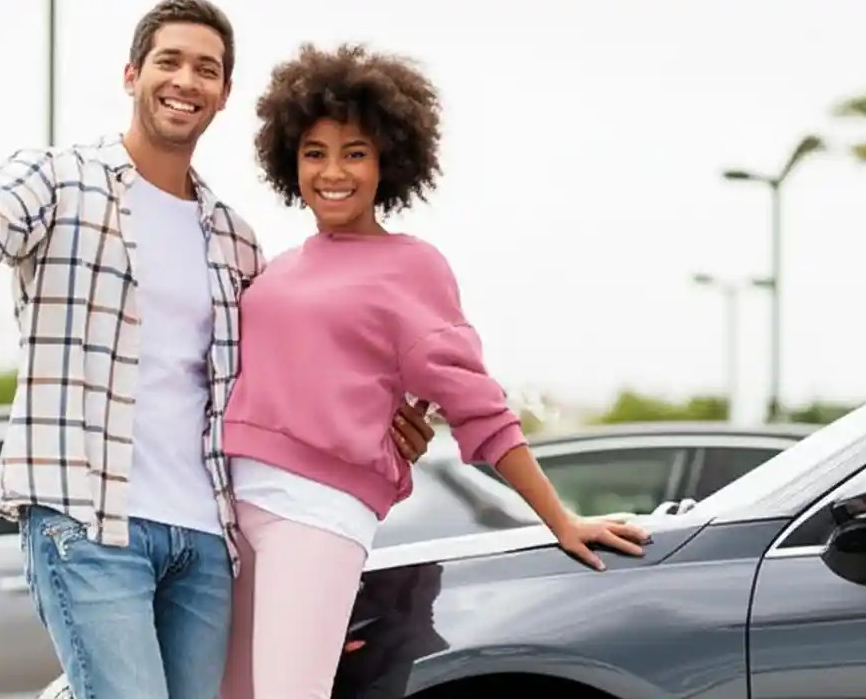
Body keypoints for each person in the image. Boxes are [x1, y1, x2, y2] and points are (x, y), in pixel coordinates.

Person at [0, 0, 433, 699]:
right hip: (88, 521)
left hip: (205, 539)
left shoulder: (234, 239)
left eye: (206, 69)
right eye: (169, 61)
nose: (186, 80)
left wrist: (383, 423)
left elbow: (285, 380)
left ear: (224, 94)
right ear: (132, 75)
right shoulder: (59, 180)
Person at [218, 43, 653, 699]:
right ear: (289, 160)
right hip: (233, 506)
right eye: (314, 152)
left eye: (354, 153)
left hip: (317, 515)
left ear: (388, 161)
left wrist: (560, 519)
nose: (332, 172)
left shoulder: (411, 267)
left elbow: (477, 406)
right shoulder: (278, 267)